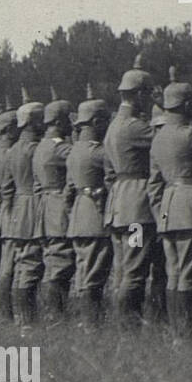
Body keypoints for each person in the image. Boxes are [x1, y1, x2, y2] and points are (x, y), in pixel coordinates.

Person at [149, 71, 192, 335]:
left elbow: (153, 184)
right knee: (188, 271)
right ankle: (185, 332)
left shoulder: (158, 138)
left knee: (173, 270)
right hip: (189, 205)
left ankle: (176, 332)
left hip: (167, 209)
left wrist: (160, 211)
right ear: (186, 106)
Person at [104, 58, 159, 327]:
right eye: (148, 95)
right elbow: (164, 142)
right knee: (135, 269)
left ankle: (122, 323)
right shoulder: (136, 126)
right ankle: (129, 325)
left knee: (122, 269)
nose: (149, 100)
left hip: (118, 206)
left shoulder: (114, 125)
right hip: (136, 208)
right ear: (138, 95)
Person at [66, 92, 112, 326]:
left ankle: (85, 323)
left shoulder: (74, 151)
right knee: (94, 274)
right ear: (96, 123)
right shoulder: (99, 152)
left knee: (84, 271)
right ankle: (91, 324)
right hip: (95, 215)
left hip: (78, 216)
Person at [33, 92, 75, 321]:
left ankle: (54, 316)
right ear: (59, 122)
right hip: (59, 210)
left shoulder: (40, 147)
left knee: (53, 263)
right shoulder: (60, 148)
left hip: (45, 209)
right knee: (60, 264)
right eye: (69, 120)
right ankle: (56, 318)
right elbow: (79, 160)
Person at [6, 98, 46, 326]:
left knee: (21, 264)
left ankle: (21, 320)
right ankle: (28, 322)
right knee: (30, 264)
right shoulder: (34, 149)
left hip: (18, 208)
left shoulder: (12, 150)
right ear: (33, 122)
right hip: (32, 206)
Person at [0, 108, 19, 320]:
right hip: (14, 215)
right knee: (9, 268)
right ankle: (6, 315)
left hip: (5, 215)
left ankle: (4, 314)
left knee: (6, 267)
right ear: (8, 130)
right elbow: (8, 190)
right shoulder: (10, 154)